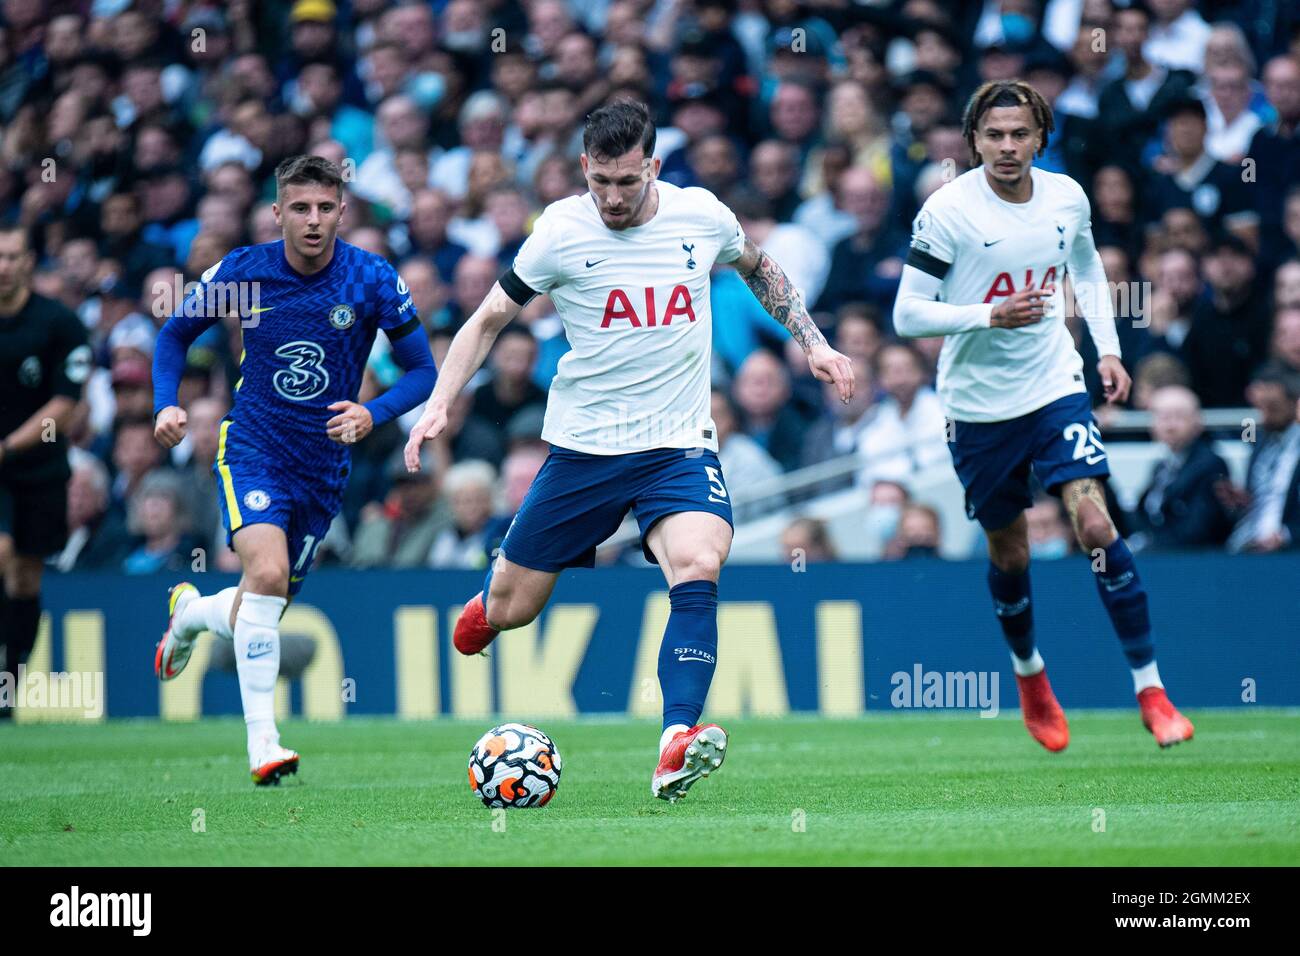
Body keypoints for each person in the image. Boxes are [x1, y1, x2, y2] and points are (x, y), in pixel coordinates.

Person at [403, 100, 854, 802]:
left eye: (627, 182)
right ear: (585, 167)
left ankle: (675, 739)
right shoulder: (558, 230)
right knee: (514, 607)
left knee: (700, 560)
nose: (612, 198)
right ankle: (488, 605)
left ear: (654, 167)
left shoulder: (701, 216)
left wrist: (815, 343)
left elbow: (760, 268)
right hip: (585, 449)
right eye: (600, 181)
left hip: (678, 443)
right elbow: (489, 317)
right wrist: (439, 402)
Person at [893, 79, 1195, 752]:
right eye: (993, 135)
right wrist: (986, 315)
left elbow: (1085, 267)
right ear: (973, 140)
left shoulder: (1065, 197)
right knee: (1012, 548)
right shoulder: (948, 212)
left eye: (1019, 134)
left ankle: (1151, 689)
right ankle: (1030, 674)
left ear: (1039, 138)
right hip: (976, 405)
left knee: (1093, 521)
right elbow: (907, 314)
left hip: (1053, 382)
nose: (1006, 147)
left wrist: (1108, 350)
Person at [150, 156, 438, 784]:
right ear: (278, 213)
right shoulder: (244, 272)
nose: (313, 221)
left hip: (323, 468)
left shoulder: (370, 279)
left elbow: (423, 372)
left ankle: (192, 615)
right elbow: (173, 337)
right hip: (253, 447)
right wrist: (166, 403)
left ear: (343, 211)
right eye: (300, 208)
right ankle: (264, 746)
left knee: (263, 604)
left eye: (325, 208)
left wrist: (372, 412)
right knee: (268, 574)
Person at [0, 223, 91, 718]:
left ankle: (7, 684)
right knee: (2, 553)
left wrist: (9, 446)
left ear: (30, 262)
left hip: (38, 468)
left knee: (26, 579)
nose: (4, 267)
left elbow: (67, 402)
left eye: (13, 256)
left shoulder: (59, 324)